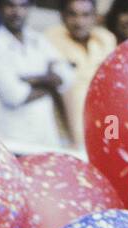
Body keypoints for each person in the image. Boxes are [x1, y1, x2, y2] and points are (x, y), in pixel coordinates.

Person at [0, 0, 73, 149]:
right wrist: (50, 85)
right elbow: (14, 95)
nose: (17, 12)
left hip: (48, 137)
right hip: (15, 140)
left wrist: (32, 80)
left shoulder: (38, 39)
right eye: (11, 6)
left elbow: (67, 76)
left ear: (30, 8)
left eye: (22, 6)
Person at [47, 0, 116, 148]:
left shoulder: (106, 40)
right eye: (73, 15)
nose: (79, 22)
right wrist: (74, 141)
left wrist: (112, 137)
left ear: (95, 17)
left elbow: (113, 94)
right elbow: (61, 91)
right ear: (62, 15)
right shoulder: (51, 40)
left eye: (86, 15)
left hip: (103, 131)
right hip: (67, 137)